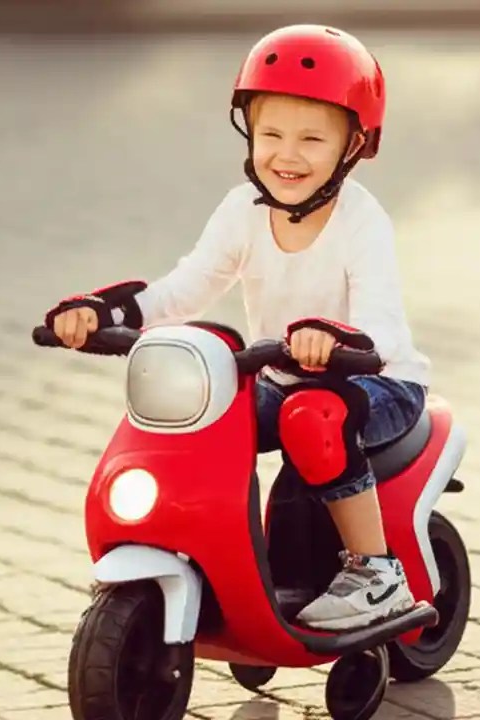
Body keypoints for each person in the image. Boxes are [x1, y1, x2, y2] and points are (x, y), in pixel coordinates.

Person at [43, 24, 431, 632]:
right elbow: (184, 287)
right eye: (270, 134)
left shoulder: (362, 222)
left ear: (352, 146)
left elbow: (379, 329)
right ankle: (202, 554)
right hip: (284, 374)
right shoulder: (242, 212)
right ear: (248, 134)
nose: (287, 154)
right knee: (198, 413)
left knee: (312, 417)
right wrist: (104, 313)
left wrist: (333, 341)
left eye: (312, 137)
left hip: (377, 385)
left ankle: (377, 573)